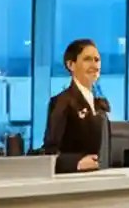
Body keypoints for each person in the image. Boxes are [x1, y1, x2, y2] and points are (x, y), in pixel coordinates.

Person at [43, 39, 111, 174]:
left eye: (97, 60)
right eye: (87, 59)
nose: (94, 65)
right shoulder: (62, 102)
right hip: (73, 182)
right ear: (71, 64)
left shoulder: (100, 104)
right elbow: (50, 152)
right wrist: (77, 162)